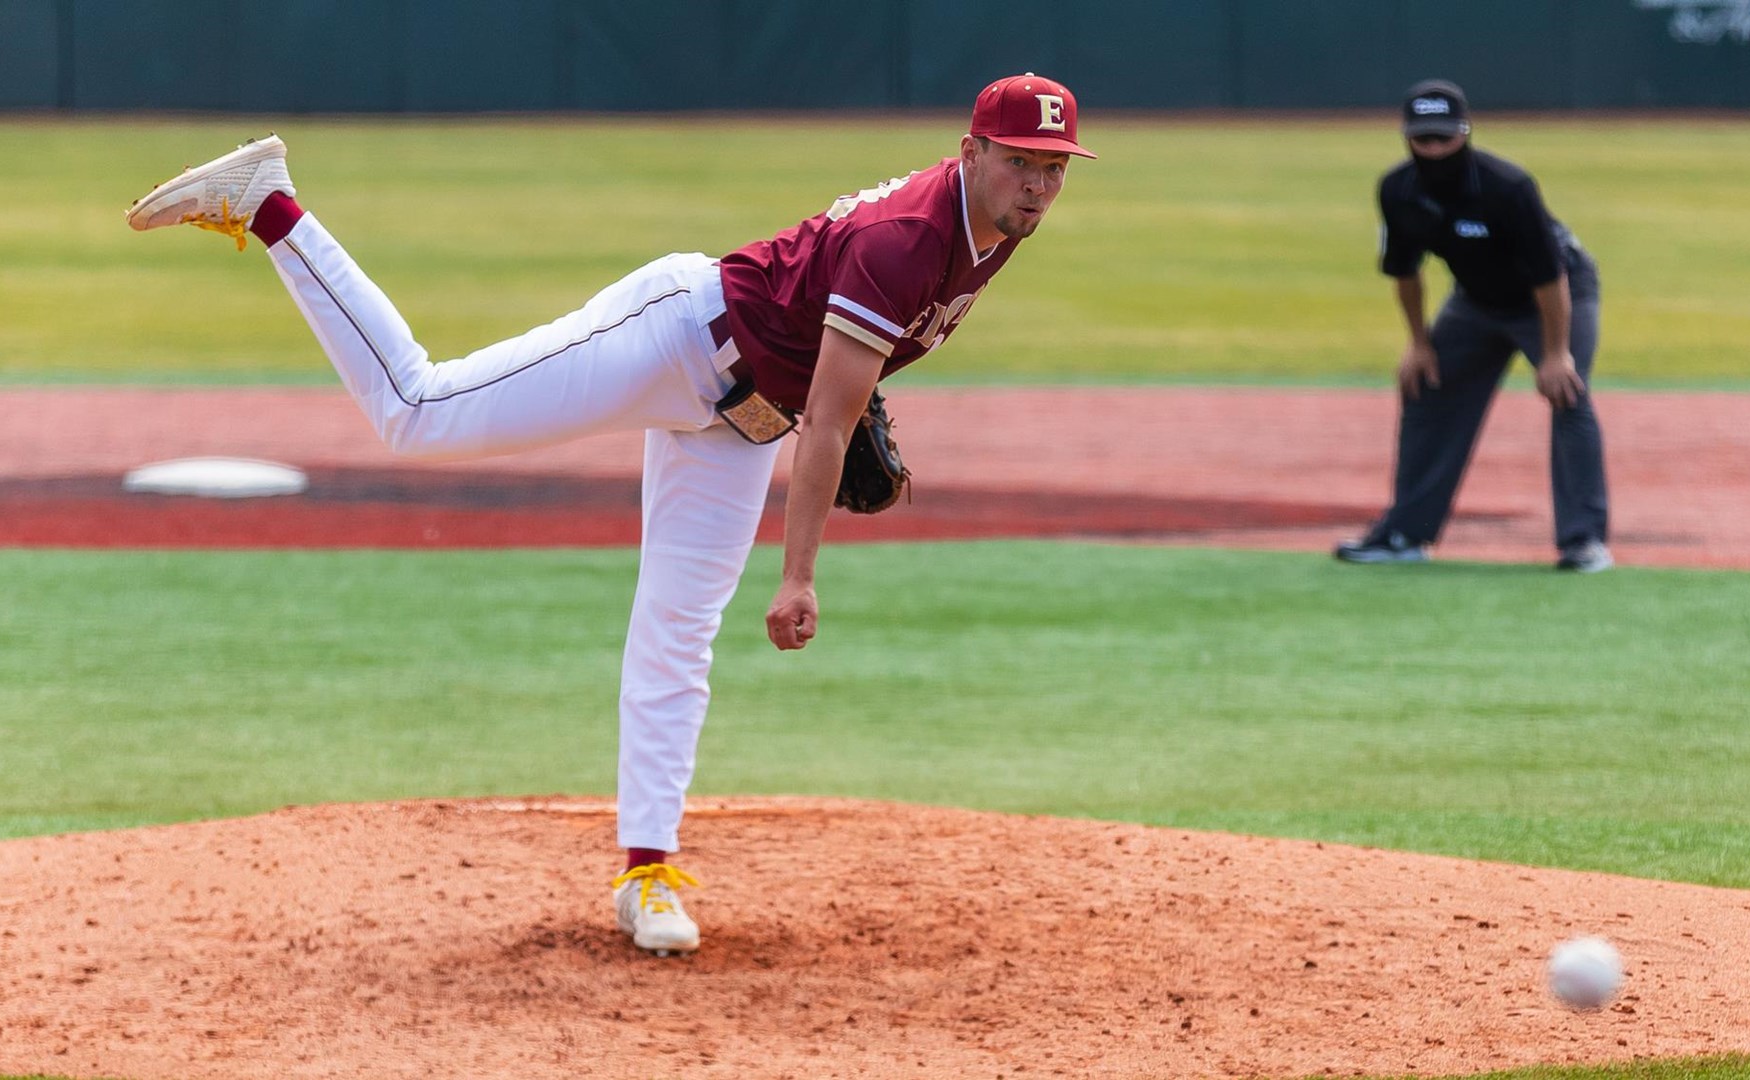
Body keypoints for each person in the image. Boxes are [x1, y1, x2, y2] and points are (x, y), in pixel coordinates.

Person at [125, 74, 1096, 955]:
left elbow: (832, 362)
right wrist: (798, 575)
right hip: (674, 338)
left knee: (679, 630)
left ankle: (648, 872)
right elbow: (833, 424)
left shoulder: (996, 227)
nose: (1039, 185)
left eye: (1054, 167)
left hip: (742, 422)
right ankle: (273, 207)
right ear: (971, 152)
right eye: (1021, 161)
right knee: (417, 409)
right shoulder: (911, 239)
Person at [1335, 79, 1611, 572]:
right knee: (1425, 385)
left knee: (1567, 393)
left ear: (1465, 132)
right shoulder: (1398, 190)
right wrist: (1419, 343)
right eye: (1423, 139)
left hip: (1554, 294)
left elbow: (1549, 277)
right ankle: (1405, 534)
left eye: (1444, 138)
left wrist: (1554, 354)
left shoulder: (1507, 187)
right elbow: (1405, 273)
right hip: (1476, 302)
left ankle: (1583, 540)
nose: (1434, 149)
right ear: (1406, 136)